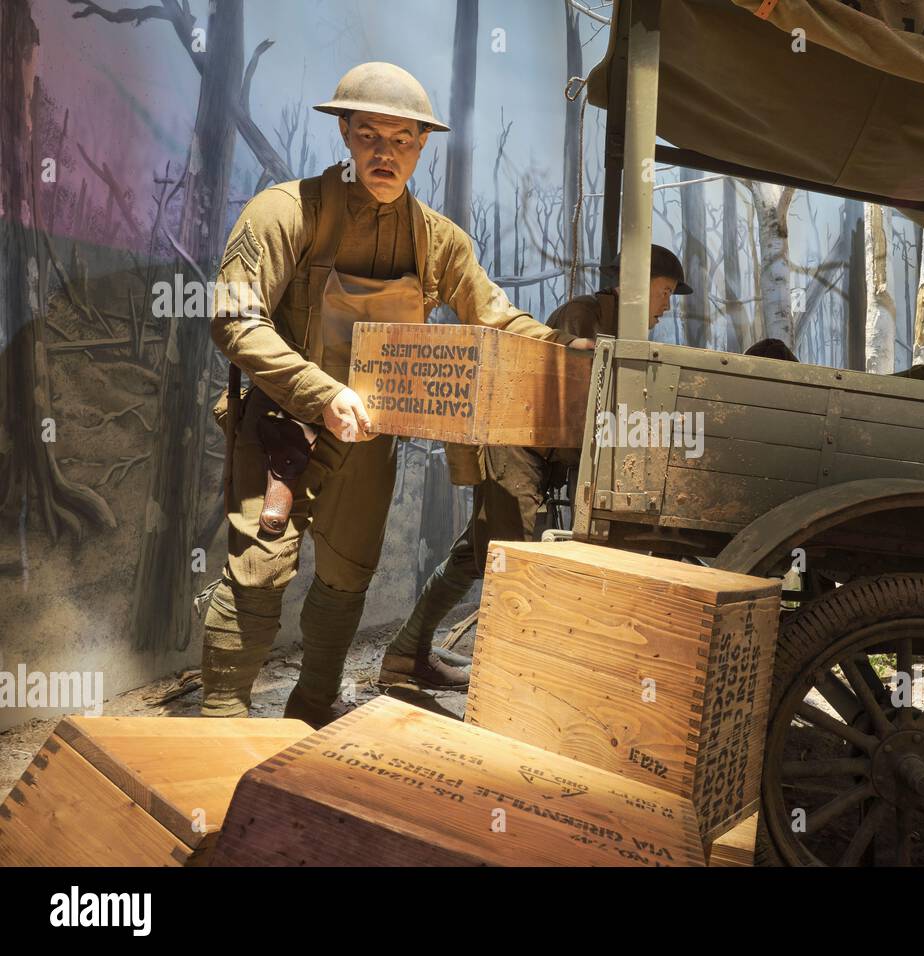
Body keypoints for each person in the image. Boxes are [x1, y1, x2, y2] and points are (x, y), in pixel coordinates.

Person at [201, 62, 593, 728]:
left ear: (422, 145)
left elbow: (494, 317)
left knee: (349, 573)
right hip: (284, 428)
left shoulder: (437, 241)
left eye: (402, 139)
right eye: (369, 136)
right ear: (346, 135)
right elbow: (234, 318)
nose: (384, 153)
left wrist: (564, 350)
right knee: (260, 568)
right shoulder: (285, 212)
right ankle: (217, 725)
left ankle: (312, 713)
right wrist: (317, 391)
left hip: (370, 438)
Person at [377, 245, 692, 691]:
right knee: (514, 559)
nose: (666, 305)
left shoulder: (625, 328)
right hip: (518, 444)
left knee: (476, 551)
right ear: (635, 285)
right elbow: (571, 403)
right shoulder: (583, 317)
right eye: (664, 292)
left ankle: (407, 653)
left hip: (541, 456)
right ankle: (508, 682)